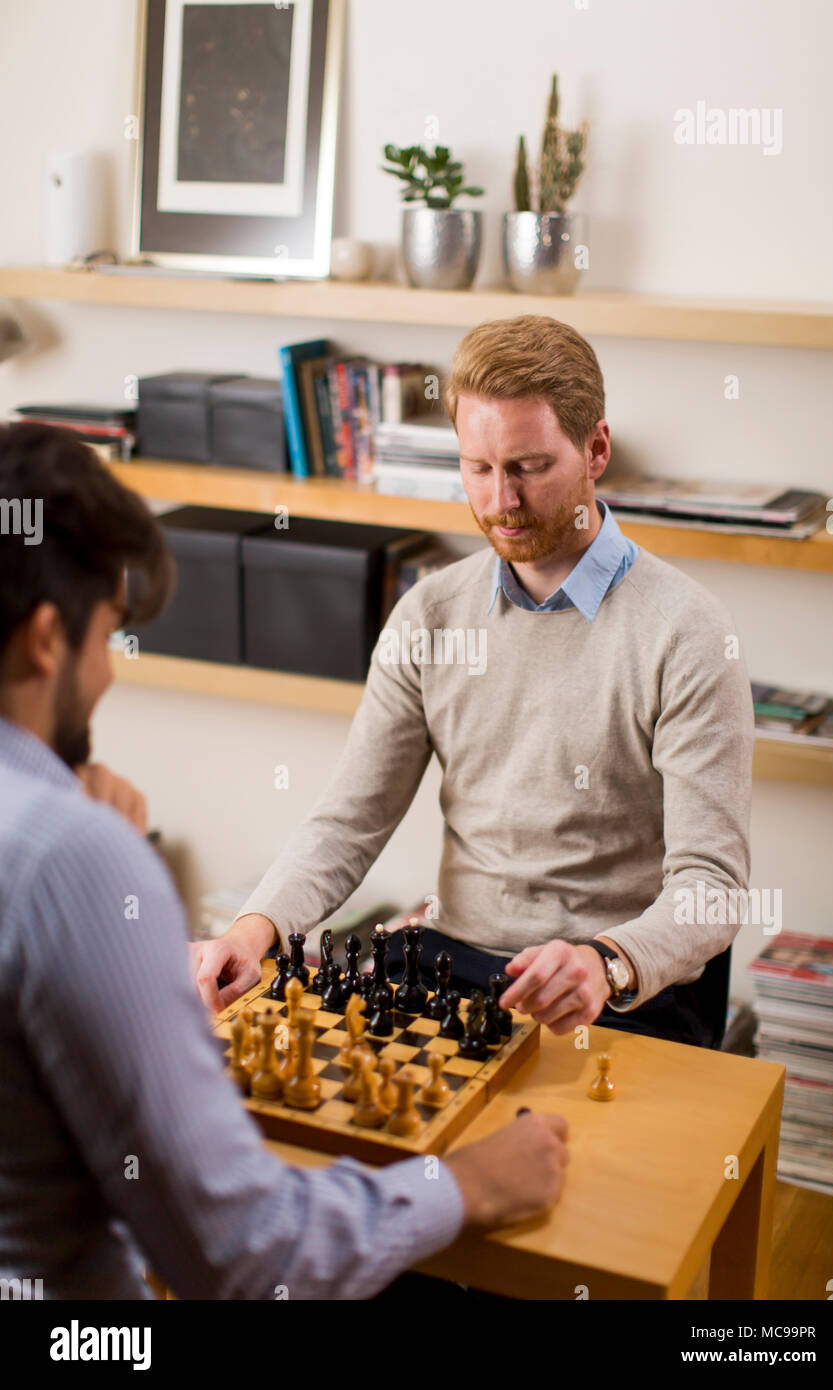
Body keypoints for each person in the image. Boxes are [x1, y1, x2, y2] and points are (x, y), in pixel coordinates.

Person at [0, 422, 568, 1300]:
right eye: (109, 634)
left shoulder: (59, 835)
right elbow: (246, 1251)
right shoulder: (73, 859)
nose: (109, 675)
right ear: (46, 641)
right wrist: (467, 1183)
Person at [195, 315, 754, 1049]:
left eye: (528, 467)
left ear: (596, 450)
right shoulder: (428, 613)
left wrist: (606, 962)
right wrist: (252, 930)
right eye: (479, 468)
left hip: (620, 995)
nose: (500, 502)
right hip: (457, 968)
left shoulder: (686, 632)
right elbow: (348, 821)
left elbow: (711, 891)